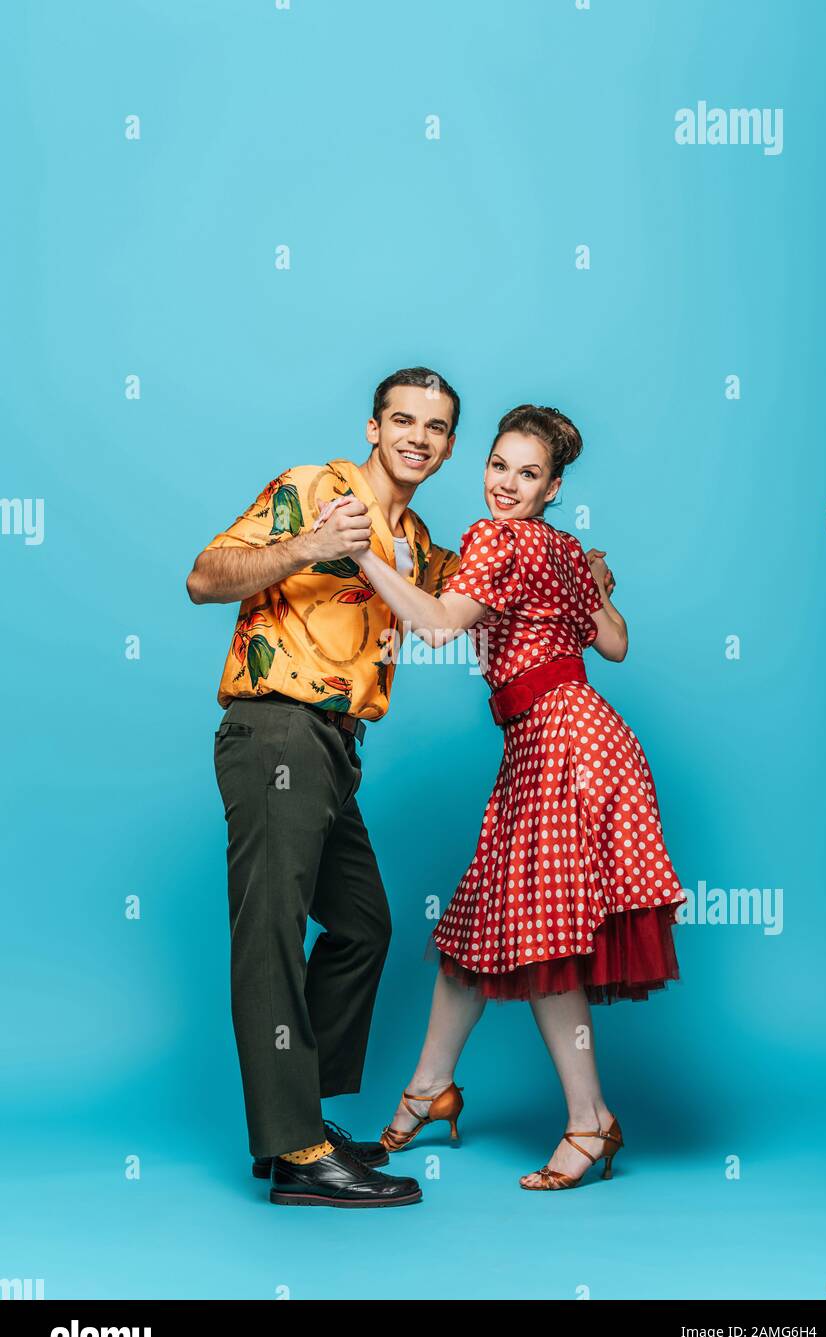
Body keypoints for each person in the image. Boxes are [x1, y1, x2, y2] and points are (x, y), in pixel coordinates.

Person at [348, 403, 687, 1191]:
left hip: (564, 746)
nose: (505, 483)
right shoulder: (562, 548)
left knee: (544, 935)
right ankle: (429, 1090)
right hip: (559, 742)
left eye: (526, 474)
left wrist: (362, 557)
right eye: (498, 465)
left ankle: (590, 1122)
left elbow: (433, 627)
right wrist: (594, 580)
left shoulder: (496, 539)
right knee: (478, 928)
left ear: (552, 484)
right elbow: (615, 641)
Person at [185, 366, 468, 1208]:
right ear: (373, 427)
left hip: (337, 748)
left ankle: (297, 1117)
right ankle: (296, 1150)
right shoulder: (315, 488)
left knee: (364, 926)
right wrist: (310, 546)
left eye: (438, 426)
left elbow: (475, 601)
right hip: (275, 727)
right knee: (270, 928)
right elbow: (205, 576)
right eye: (403, 419)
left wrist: (579, 571)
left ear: (450, 445)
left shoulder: (416, 541)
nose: (419, 436)